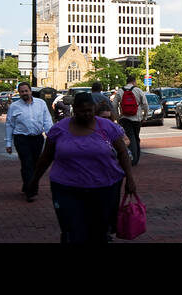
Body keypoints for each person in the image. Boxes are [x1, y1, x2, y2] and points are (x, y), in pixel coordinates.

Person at [31, 91, 138, 244]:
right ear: (74, 109)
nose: (87, 114)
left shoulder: (107, 126)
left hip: (104, 188)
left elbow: (122, 153)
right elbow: (46, 157)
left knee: (99, 231)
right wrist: (34, 180)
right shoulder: (60, 129)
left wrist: (130, 179)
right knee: (72, 230)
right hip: (66, 189)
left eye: (89, 110)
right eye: (82, 111)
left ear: (94, 109)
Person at [6, 81, 53, 202]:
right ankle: (31, 191)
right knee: (27, 163)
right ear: (19, 93)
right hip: (21, 138)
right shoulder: (14, 106)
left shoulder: (41, 103)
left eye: (26, 91)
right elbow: (9, 125)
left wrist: (52, 136)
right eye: (21, 91)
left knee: (35, 164)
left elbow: (47, 120)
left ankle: (26, 184)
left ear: (30, 91)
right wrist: (8, 143)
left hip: (37, 138)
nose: (24, 93)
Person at [117, 76, 149, 165]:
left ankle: (132, 158)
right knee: (136, 137)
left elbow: (114, 104)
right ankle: (135, 159)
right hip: (137, 118)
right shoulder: (138, 90)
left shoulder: (120, 91)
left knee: (129, 138)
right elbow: (146, 105)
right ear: (134, 81)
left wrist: (117, 118)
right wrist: (145, 117)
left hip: (125, 118)